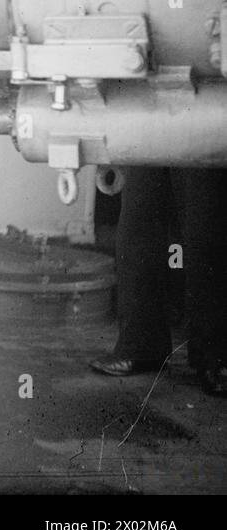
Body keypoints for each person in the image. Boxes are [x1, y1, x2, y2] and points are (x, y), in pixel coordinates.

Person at [89, 166, 227, 397]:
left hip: (203, 132)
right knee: (138, 221)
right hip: (148, 132)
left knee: (205, 224)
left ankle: (215, 358)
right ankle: (140, 346)